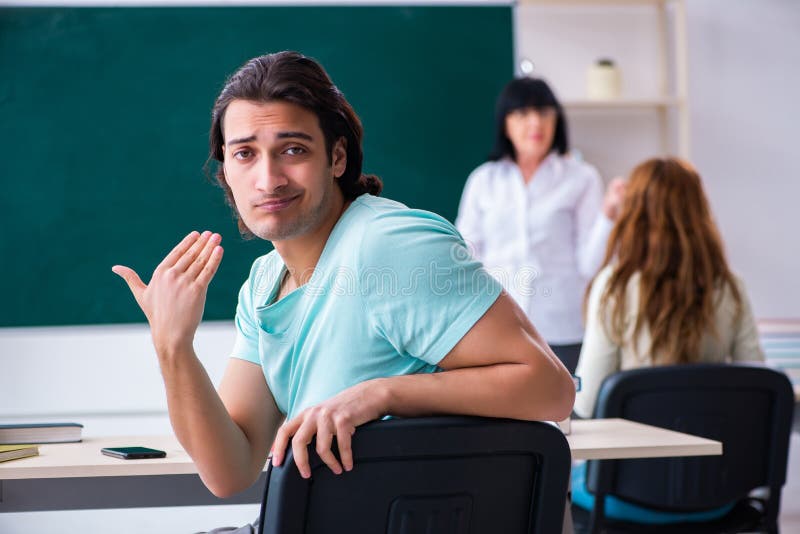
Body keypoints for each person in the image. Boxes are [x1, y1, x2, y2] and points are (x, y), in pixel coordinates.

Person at [111, 51, 575, 515]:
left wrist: (381, 394)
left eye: (293, 150)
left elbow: (552, 390)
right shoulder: (263, 282)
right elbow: (229, 470)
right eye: (245, 154)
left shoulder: (387, 245)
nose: (268, 179)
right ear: (226, 173)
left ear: (336, 157)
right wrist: (173, 347)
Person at [571, 157, 764, 524]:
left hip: (626, 491)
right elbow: (755, 381)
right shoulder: (730, 287)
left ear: (633, 216)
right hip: (715, 493)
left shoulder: (613, 288)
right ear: (699, 214)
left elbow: (589, 398)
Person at [456, 77, 625, 374]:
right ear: (505, 124)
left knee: (566, 417)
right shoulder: (484, 180)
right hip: (497, 329)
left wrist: (609, 215)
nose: (535, 123)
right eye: (522, 114)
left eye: (545, 113)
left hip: (562, 327)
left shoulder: (581, 177)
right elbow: (465, 256)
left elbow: (590, 265)